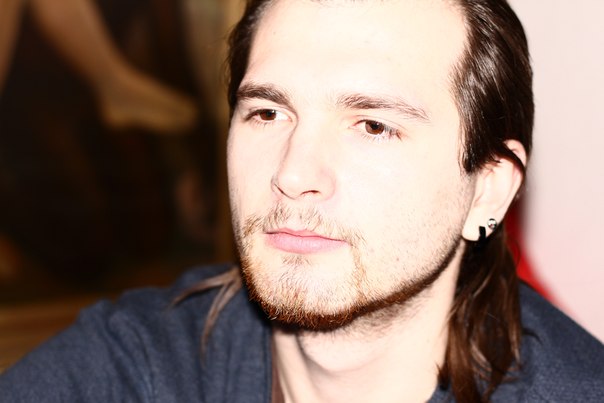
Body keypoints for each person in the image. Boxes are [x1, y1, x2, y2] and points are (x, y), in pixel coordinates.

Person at [1, 0, 603, 402]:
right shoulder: (138, 365)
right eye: (268, 112)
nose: (292, 173)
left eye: (373, 126)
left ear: (488, 188)